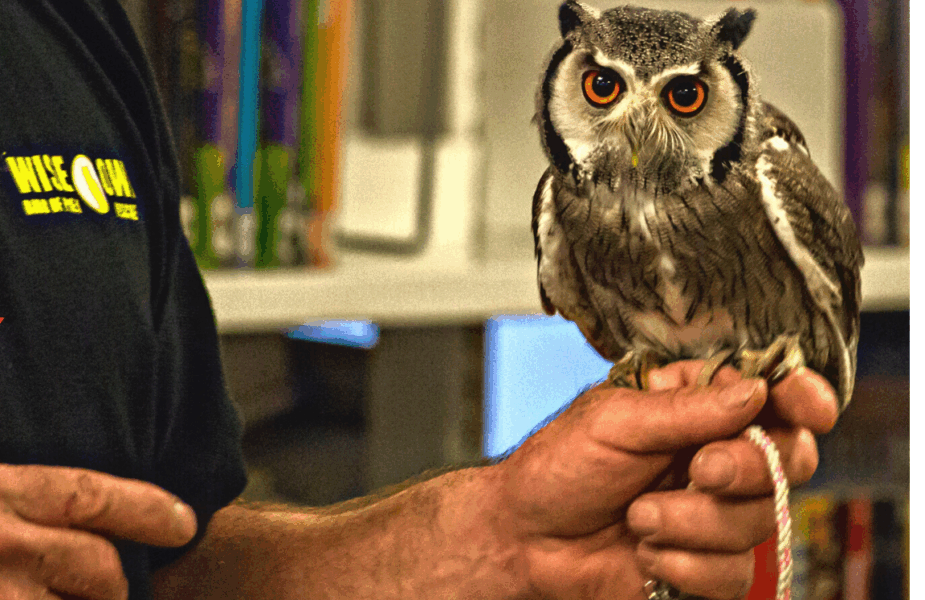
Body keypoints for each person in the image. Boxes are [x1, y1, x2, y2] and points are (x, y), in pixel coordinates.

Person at [0, 1, 839, 599]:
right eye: (603, 92)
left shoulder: (74, 30)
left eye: (684, 99)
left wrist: (500, 539)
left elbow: (166, 555)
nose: (638, 130)